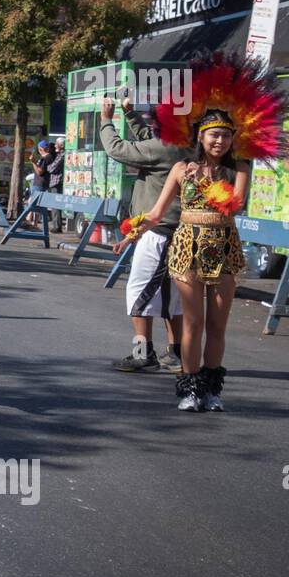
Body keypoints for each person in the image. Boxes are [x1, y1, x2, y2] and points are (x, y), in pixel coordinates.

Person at [114, 55, 289, 411]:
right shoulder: (181, 168)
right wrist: (132, 234)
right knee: (192, 323)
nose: (219, 141)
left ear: (233, 139)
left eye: (225, 136)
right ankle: (189, 389)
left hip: (224, 249)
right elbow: (158, 212)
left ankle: (212, 389)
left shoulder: (239, 167)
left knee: (217, 325)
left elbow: (235, 203)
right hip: (187, 248)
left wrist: (208, 183)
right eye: (213, 135)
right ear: (200, 136)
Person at [101, 93, 189, 374]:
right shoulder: (183, 145)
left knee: (139, 293)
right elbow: (148, 140)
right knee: (171, 298)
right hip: (175, 231)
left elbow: (117, 149)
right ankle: (175, 354)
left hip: (159, 233)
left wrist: (106, 119)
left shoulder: (162, 149)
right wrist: (129, 114)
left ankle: (143, 353)